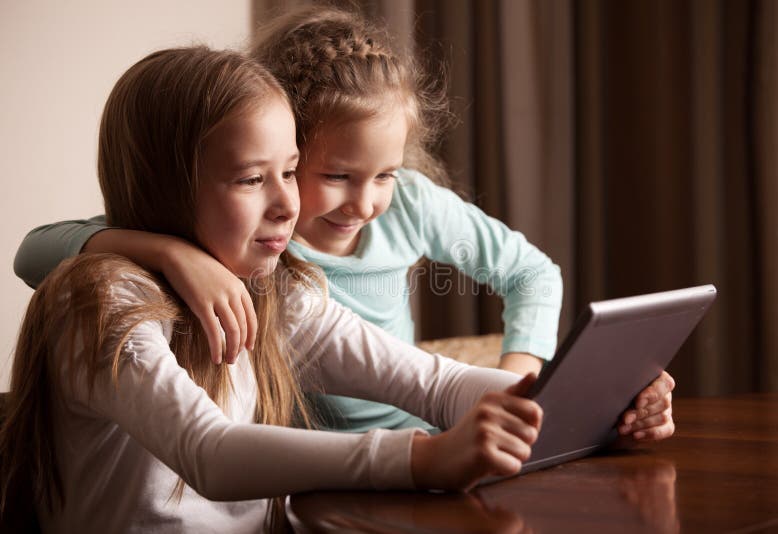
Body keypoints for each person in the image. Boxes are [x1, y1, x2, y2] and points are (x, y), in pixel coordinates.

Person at [12, 6, 674, 440]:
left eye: (382, 174)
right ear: (279, 151)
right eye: (334, 177)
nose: (363, 203)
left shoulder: (410, 203)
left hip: (429, 432)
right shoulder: (248, 235)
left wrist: (527, 380)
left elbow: (529, 272)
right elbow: (35, 253)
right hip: (305, 457)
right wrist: (166, 251)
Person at [0, 46, 545, 533]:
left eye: (290, 172)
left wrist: (575, 407)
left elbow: (436, 383)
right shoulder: (100, 300)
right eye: (251, 179)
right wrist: (422, 458)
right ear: (167, 185)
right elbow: (209, 453)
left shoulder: (270, 291)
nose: (288, 205)